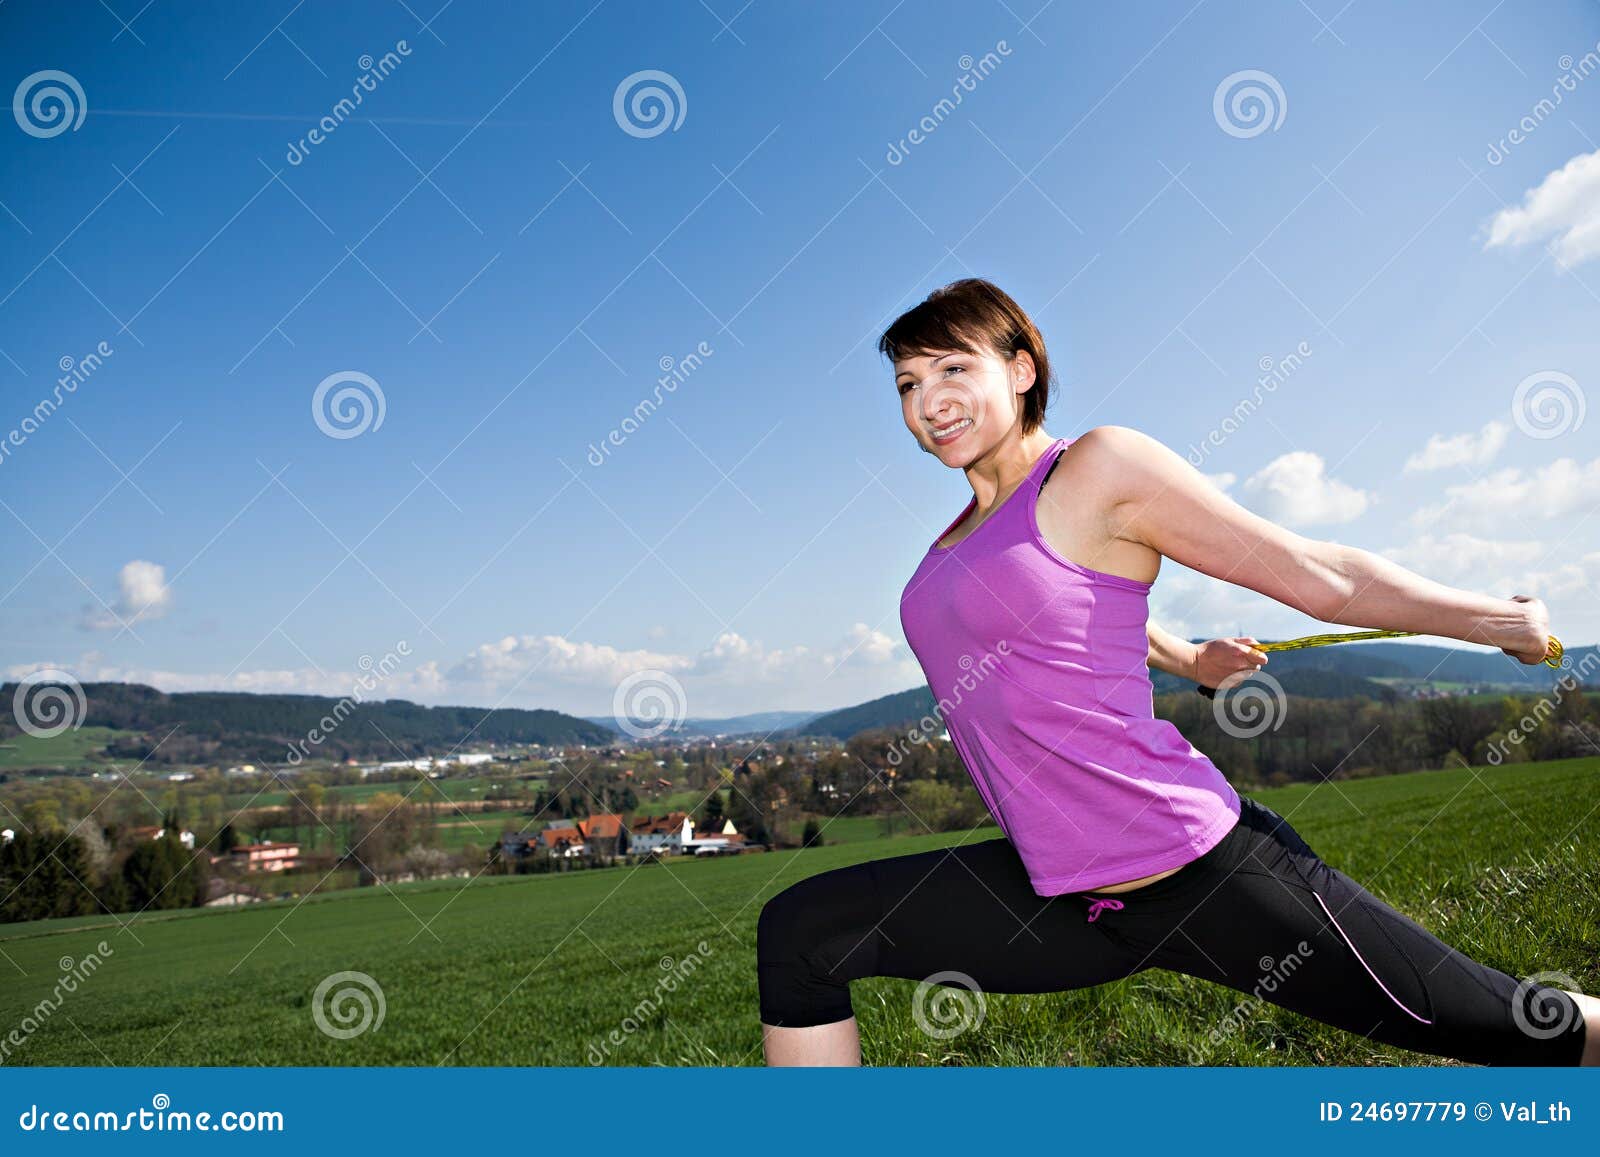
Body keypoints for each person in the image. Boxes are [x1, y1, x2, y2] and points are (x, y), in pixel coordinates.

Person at [756, 277, 1597, 1067]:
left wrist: (1502, 623)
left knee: (1519, 1026)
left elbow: (1317, 573)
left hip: (1201, 877)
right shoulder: (952, 544)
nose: (926, 399)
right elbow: (1068, 609)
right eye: (905, 383)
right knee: (801, 932)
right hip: (1062, 900)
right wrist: (1190, 657)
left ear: (1020, 370)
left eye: (951, 367)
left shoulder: (1097, 469)